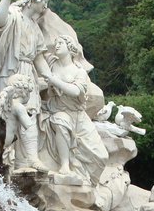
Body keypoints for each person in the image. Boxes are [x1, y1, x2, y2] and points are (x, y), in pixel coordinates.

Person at [38, 35, 108, 182]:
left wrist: (54, 80)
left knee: (101, 156)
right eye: (56, 43)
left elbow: (76, 91)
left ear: (70, 48)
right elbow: (39, 55)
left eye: (60, 43)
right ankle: (65, 165)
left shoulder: (79, 72)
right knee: (61, 122)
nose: (56, 46)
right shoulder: (52, 64)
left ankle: (87, 180)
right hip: (58, 110)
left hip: (78, 115)